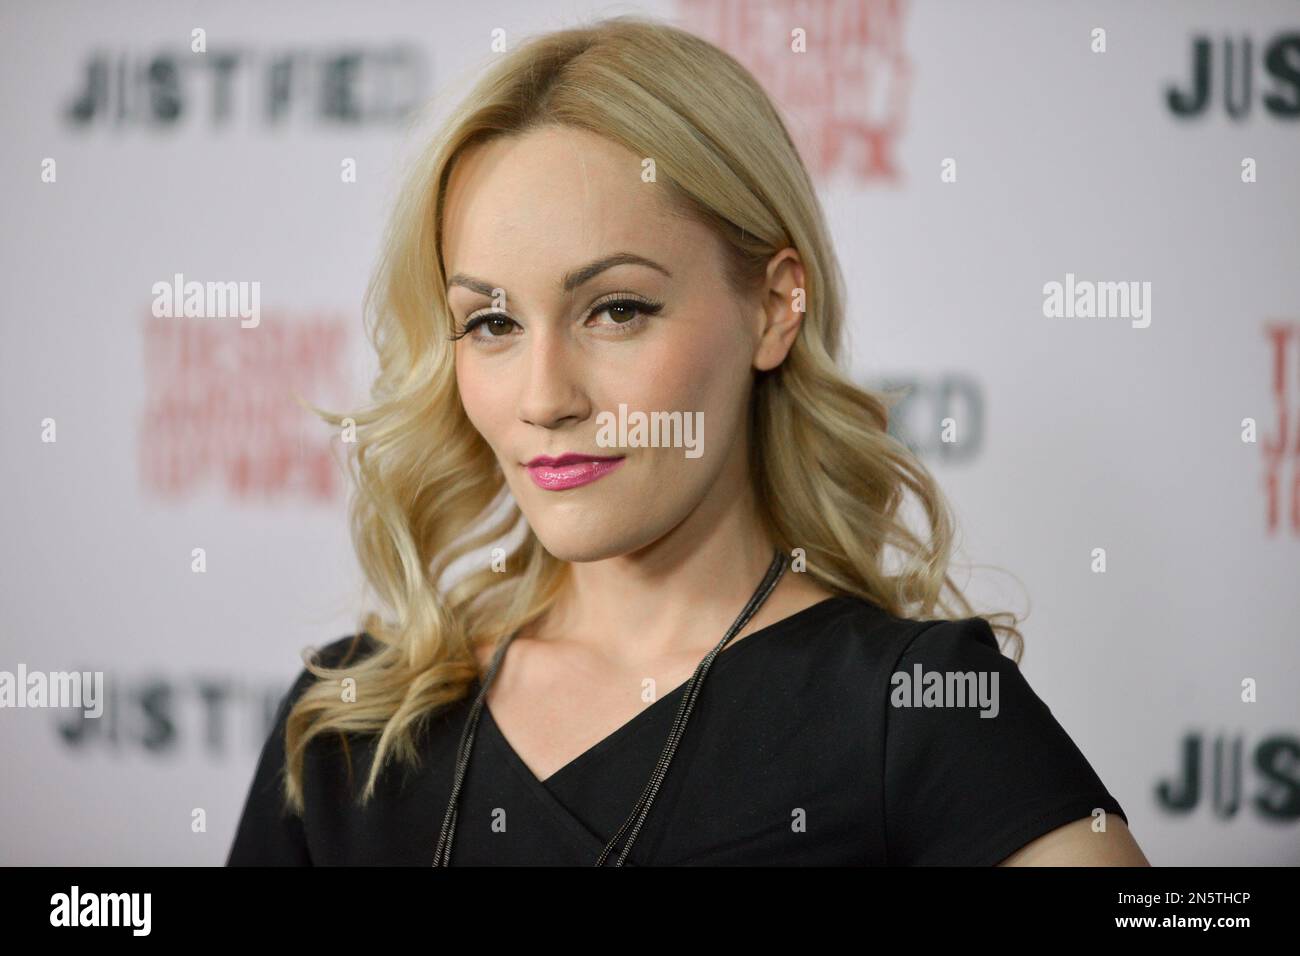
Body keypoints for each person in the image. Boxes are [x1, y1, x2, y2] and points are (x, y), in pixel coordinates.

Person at [227, 15, 1148, 866]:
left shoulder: (916, 712)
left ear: (775, 308)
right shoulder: (353, 723)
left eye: (617, 309)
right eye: (492, 324)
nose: (545, 399)